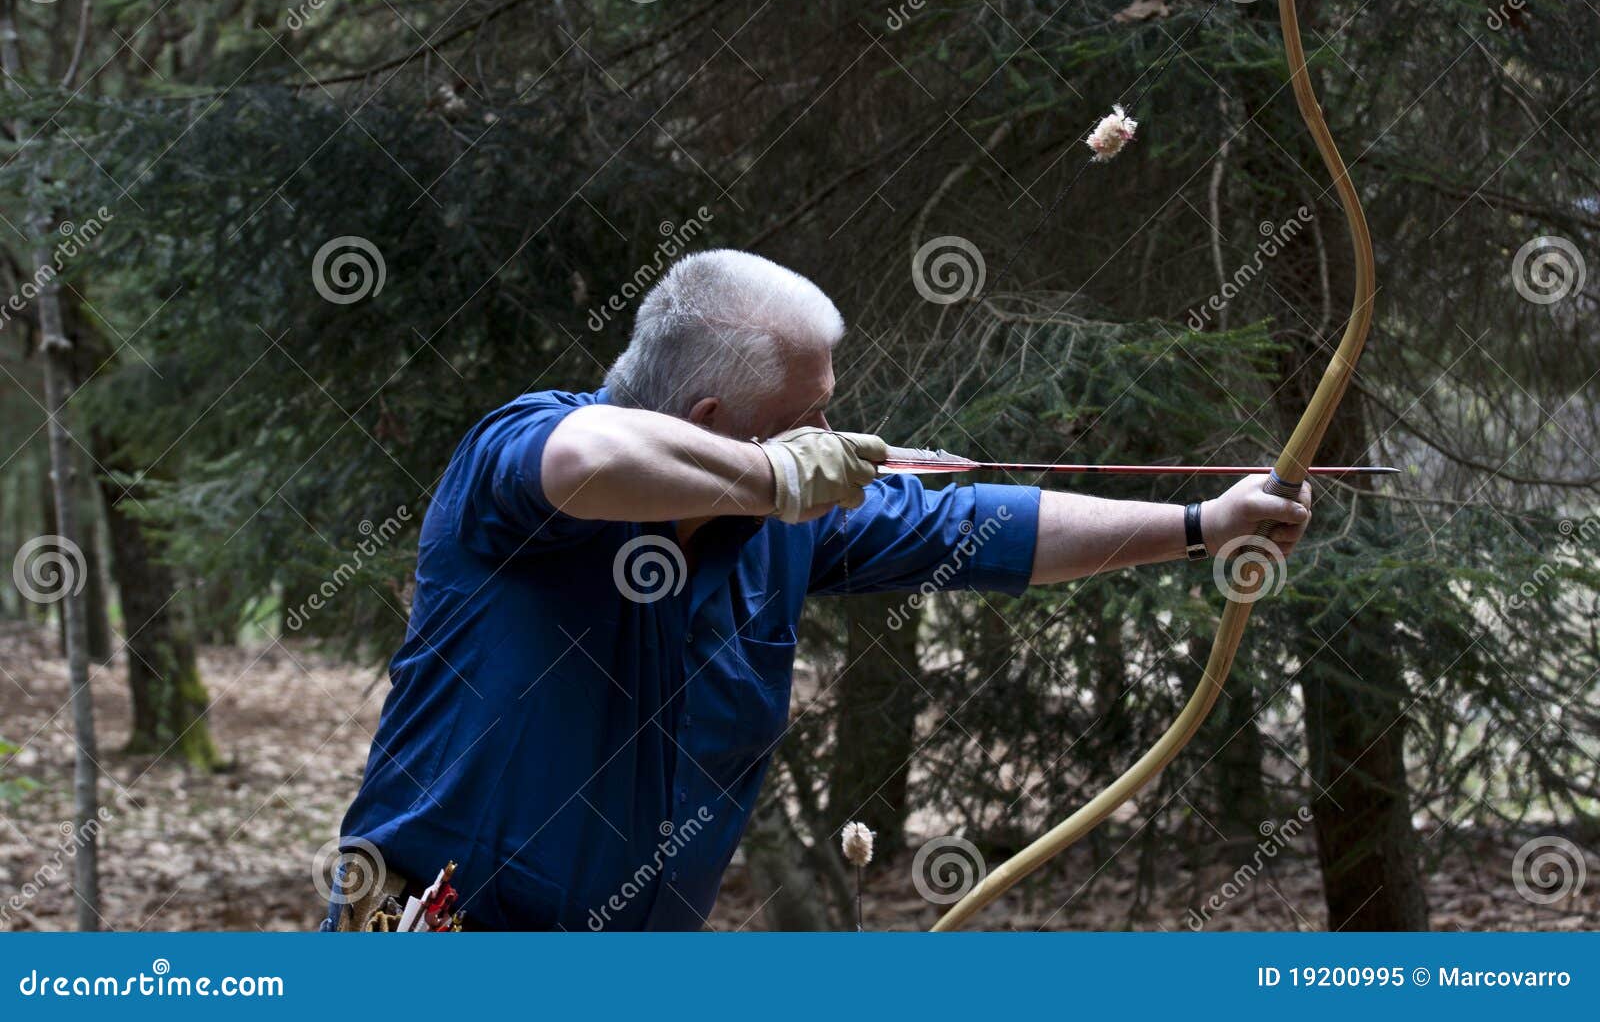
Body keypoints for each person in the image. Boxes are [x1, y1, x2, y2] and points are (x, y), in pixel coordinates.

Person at [327, 249, 1310, 931]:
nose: (831, 444)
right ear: (712, 420)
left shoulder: (786, 525)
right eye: (811, 423)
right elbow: (589, 456)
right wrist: (775, 475)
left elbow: (989, 527)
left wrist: (1201, 524)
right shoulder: (517, 463)